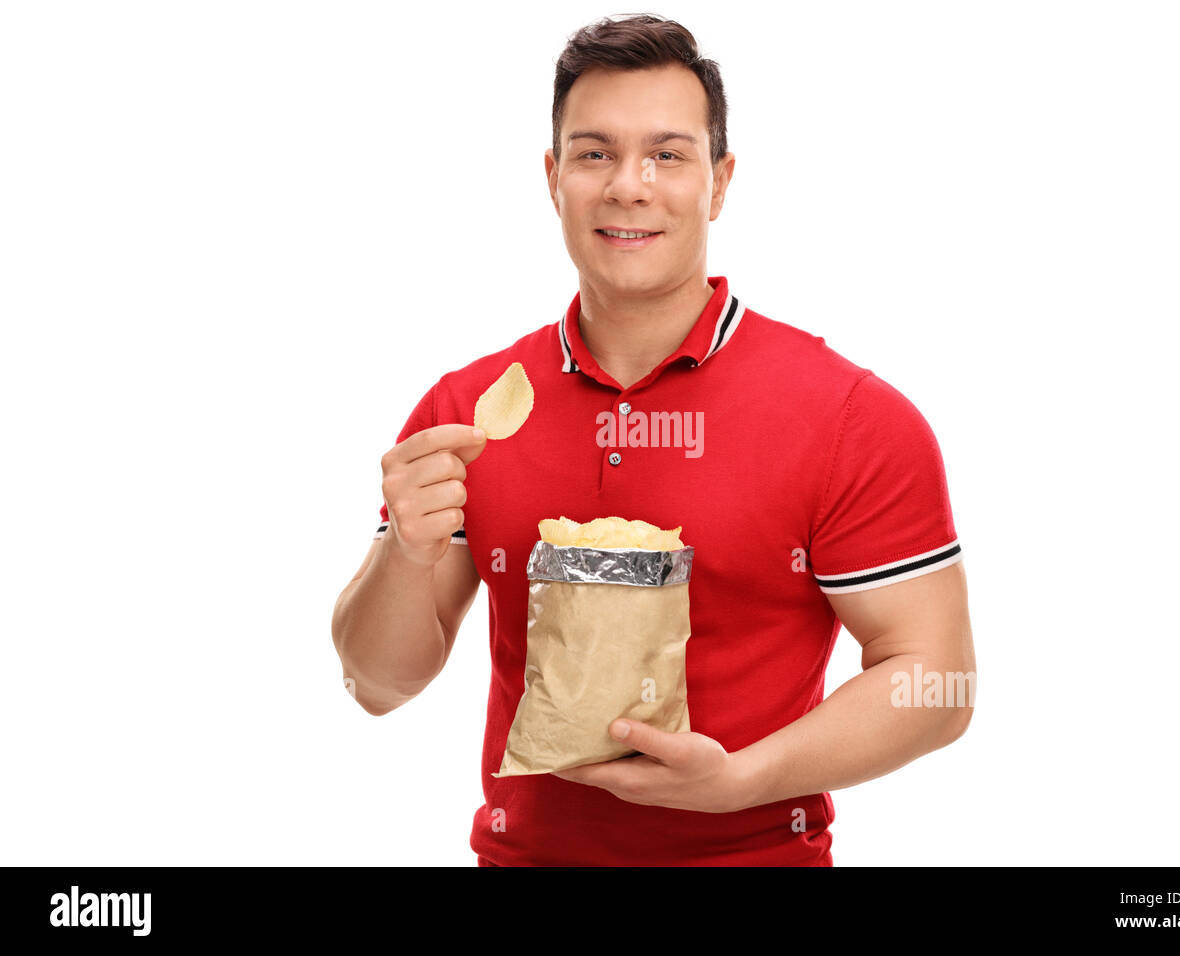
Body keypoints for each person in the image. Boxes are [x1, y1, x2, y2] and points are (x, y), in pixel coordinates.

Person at [331, 13, 975, 867]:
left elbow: (935, 683)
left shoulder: (849, 417)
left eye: (668, 155)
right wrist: (406, 554)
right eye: (594, 153)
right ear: (553, 178)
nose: (628, 186)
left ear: (719, 183)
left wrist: (742, 780)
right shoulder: (469, 413)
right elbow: (378, 684)